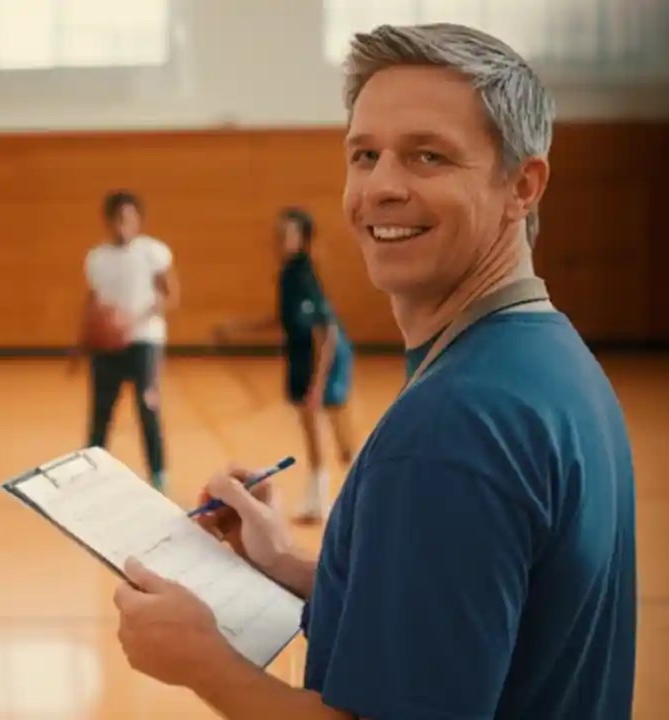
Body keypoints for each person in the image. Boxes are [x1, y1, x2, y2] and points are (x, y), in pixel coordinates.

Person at [111, 24, 636, 719]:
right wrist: (290, 567)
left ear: (523, 185)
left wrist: (204, 661)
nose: (381, 186)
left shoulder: (454, 425)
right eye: (364, 154)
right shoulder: (552, 360)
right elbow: (463, 626)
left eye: (428, 156)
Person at [215, 208, 356, 522]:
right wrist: (238, 327)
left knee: (327, 428)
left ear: (302, 238)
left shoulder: (304, 274)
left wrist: (318, 384)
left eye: (287, 233)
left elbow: (326, 332)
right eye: (278, 233)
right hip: (303, 352)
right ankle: (333, 495)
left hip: (323, 355)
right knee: (330, 431)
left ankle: (322, 502)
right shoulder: (288, 273)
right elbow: (281, 319)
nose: (279, 239)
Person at [78, 190, 178, 491]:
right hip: (107, 345)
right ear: (109, 221)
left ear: (138, 221)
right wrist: (83, 339)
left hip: (144, 341)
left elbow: (171, 295)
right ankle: (90, 475)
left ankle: (159, 475)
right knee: (101, 411)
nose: (124, 225)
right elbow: (93, 302)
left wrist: (132, 321)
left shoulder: (153, 252)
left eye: (130, 219)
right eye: (118, 219)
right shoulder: (96, 258)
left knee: (147, 409)